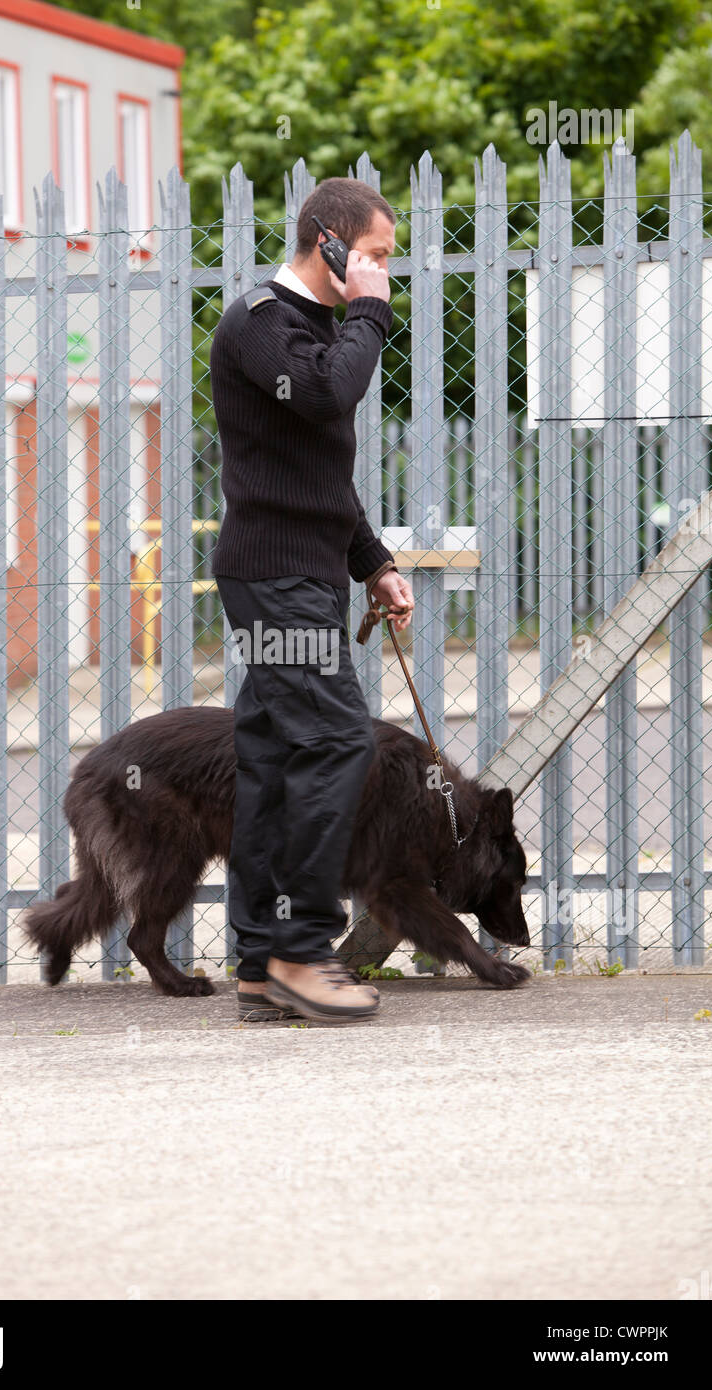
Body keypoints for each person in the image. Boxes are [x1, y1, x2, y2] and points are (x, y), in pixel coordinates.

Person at [210, 177, 415, 1024]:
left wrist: (373, 562)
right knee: (336, 739)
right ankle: (302, 950)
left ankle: (261, 958)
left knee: (272, 756)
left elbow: (320, 476)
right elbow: (333, 393)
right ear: (328, 241)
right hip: (276, 585)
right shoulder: (260, 321)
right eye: (374, 257)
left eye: (387, 264)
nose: (383, 277)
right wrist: (369, 313)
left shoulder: (315, 331)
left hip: (303, 578)